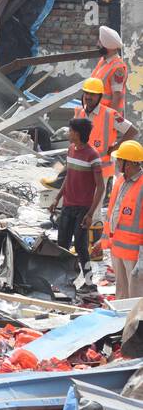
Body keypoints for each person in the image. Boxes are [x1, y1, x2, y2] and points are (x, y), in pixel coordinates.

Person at [51, 117, 106, 277]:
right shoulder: (71, 150)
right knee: (62, 244)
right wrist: (57, 198)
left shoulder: (92, 156)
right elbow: (68, 176)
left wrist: (90, 214)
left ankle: (89, 282)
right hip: (68, 205)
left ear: (77, 133)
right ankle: (63, 278)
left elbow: (100, 187)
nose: (68, 133)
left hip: (83, 209)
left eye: (70, 131)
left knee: (81, 247)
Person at [76, 77, 138, 186]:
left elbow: (132, 131)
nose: (88, 97)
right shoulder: (80, 113)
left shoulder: (110, 114)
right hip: (82, 168)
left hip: (101, 171)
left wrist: (115, 148)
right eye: (86, 93)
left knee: (95, 202)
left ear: (100, 96)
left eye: (93, 94)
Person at [106, 141, 143, 301]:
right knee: (121, 294)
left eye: (120, 160)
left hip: (135, 252)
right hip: (117, 248)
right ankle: (122, 325)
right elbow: (113, 212)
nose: (117, 163)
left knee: (136, 297)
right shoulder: (120, 181)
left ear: (129, 163)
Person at [92, 26, 129, 113]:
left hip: (105, 116)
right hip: (96, 112)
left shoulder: (118, 68)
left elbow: (117, 96)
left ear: (107, 45)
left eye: (100, 42)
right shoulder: (103, 61)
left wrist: (110, 118)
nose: (97, 44)